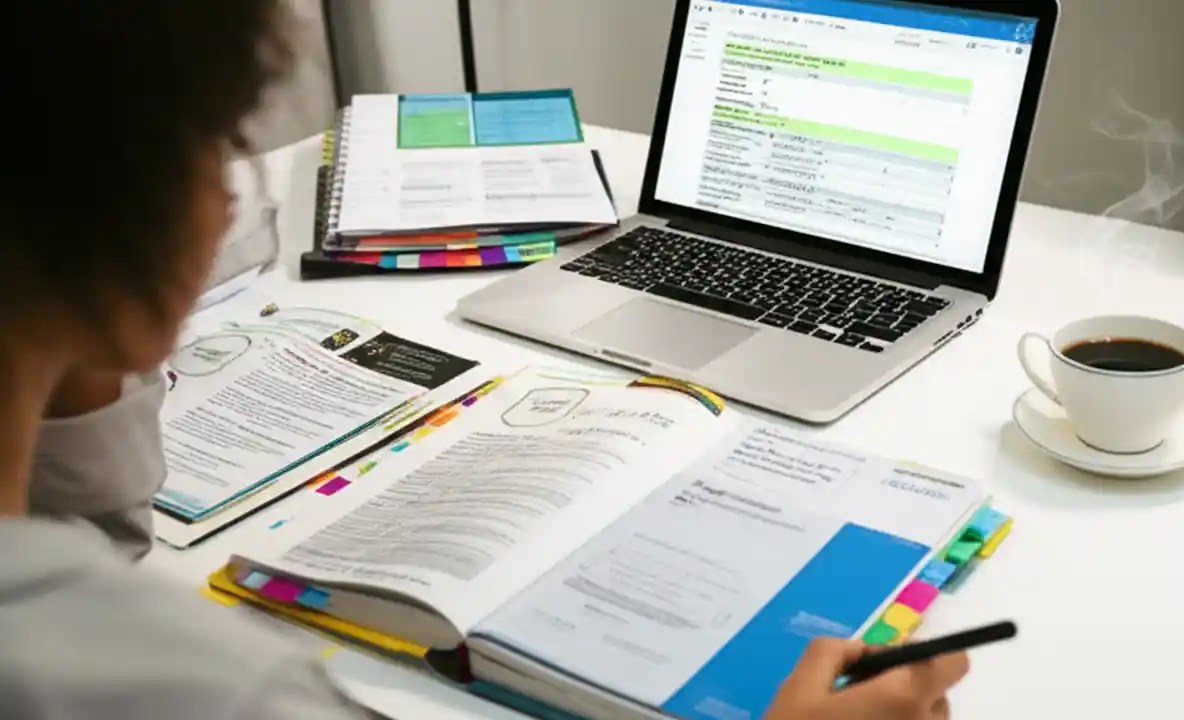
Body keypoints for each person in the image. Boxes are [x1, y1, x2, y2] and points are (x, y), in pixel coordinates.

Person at [0, 2, 968, 718]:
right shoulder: (209, 693)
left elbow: (94, 556)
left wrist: (87, 360)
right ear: (94, 210)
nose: (226, 206)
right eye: (216, 150)